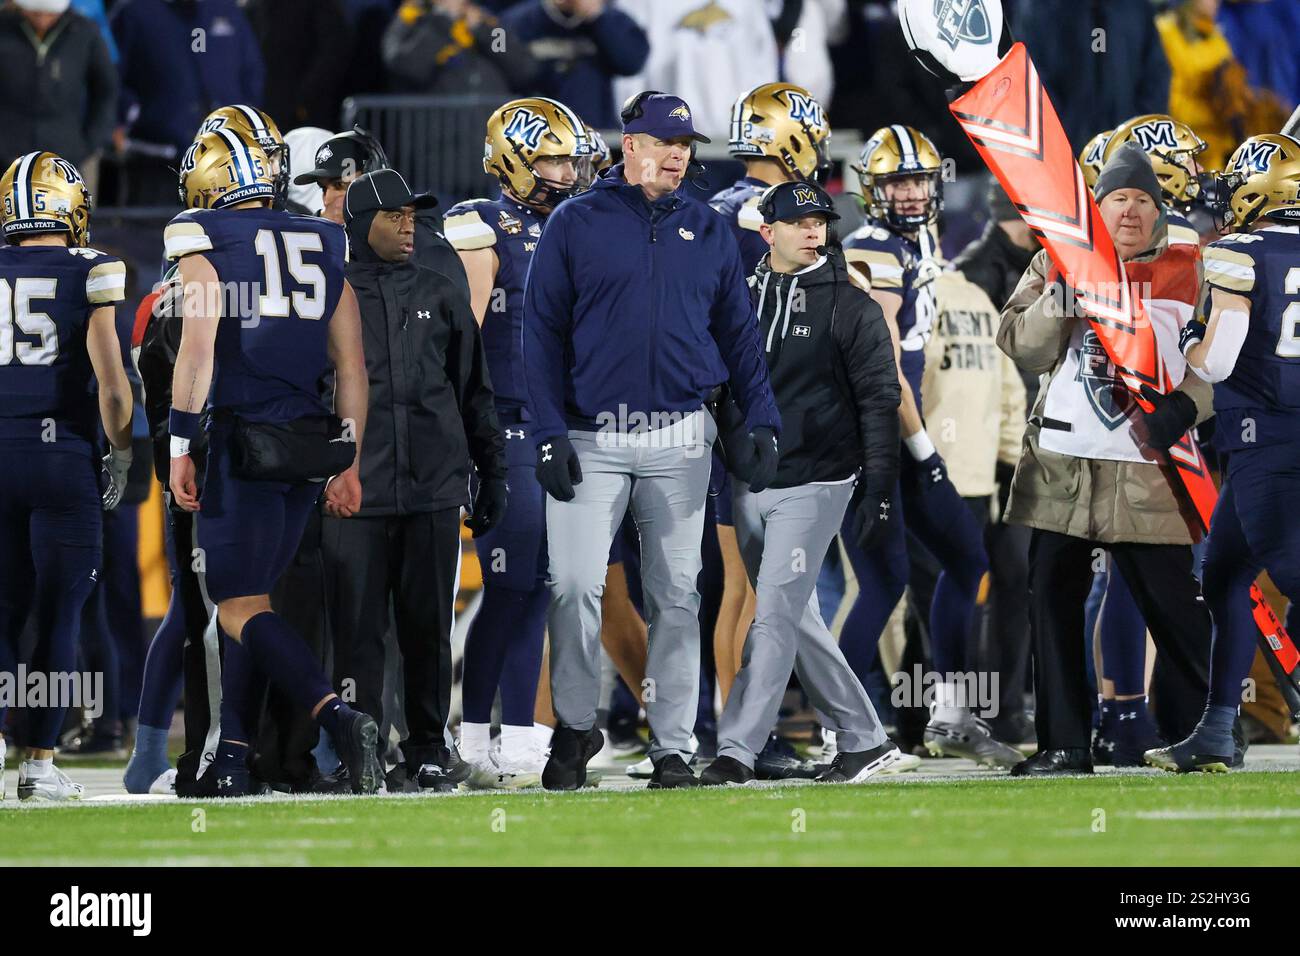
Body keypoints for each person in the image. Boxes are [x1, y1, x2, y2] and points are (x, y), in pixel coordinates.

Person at [523, 91, 780, 790]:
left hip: (681, 436)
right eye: (664, 142)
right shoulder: (574, 223)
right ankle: (577, 726)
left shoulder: (708, 227)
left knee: (677, 593)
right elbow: (538, 336)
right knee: (573, 585)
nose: (677, 156)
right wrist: (546, 432)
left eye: (686, 145)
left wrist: (760, 418)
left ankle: (671, 745)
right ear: (629, 145)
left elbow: (740, 336)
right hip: (589, 434)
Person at [163, 128, 383, 795]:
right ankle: (232, 756)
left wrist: (178, 443)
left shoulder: (202, 235)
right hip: (308, 448)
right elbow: (352, 366)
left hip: (241, 441)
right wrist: (347, 457)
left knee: (235, 605)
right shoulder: (323, 237)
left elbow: (196, 352)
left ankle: (336, 715)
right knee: (253, 606)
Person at [998, 143, 1215, 776]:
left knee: (1175, 608)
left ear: (1159, 210)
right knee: (1052, 604)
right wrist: (1061, 292)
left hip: (1152, 467)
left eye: (1143, 200)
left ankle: (1201, 732)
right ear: (1097, 206)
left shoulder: (1192, 267)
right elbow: (1021, 345)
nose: (1130, 211)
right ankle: (1063, 744)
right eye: (1118, 198)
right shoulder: (1057, 258)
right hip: (1064, 462)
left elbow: (1220, 363)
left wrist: (1186, 408)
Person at [699, 180, 904, 786]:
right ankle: (865, 740)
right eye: (798, 221)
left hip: (819, 476)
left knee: (775, 614)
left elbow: (879, 399)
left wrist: (880, 487)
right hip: (750, 477)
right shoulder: (736, 296)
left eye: (820, 220)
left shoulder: (851, 302)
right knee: (796, 616)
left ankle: (736, 749)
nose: (813, 229)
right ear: (767, 232)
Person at [322, 168, 507, 792]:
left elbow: (473, 390)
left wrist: (492, 471)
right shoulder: (329, 292)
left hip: (432, 484)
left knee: (428, 628)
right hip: (356, 490)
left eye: (412, 214)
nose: (409, 224)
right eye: (394, 215)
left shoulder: (441, 287)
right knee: (357, 629)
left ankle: (428, 747)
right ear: (359, 222)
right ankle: (361, 746)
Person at [838, 125, 1011, 767]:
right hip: (880, 439)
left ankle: (947, 717)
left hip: (895, 434)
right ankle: (848, 729)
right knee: (887, 584)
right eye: (897, 182)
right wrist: (919, 448)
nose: (911, 193)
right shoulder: (875, 251)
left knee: (955, 566)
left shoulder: (921, 243)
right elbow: (884, 365)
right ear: (871, 190)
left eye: (918, 181)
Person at [444, 97, 589, 787]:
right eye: (552, 158)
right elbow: (466, 338)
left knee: (540, 584)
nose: (565, 171)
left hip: (555, 422)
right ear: (513, 161)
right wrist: (469, 435)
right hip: (503, 422)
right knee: (509, 583)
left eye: (568, 157)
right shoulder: (481, 223)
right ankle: (475, 734)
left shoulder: (570, 224)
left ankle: (525, 734)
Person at [1150, 133, 1300, 771]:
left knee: (1292, 577)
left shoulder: (1241, 250)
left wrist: (1190, 336)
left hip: (1267, 436)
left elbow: (1219, 359)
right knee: (1224, 575)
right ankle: (1215, 729)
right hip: (1271, 437)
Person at [706, 80, 831, 777]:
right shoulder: (759, 213)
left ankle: (736, 732)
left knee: (742, 585)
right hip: (759, 410)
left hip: (728, 410)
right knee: (756, 587)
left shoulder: (720, 206)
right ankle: (743, 736)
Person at [0, 150, 133, 801]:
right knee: (60, 613)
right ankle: (38, 765)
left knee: (3, 609)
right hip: (62, 459)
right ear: (71, 207)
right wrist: (123, 450)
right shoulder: (93, 268)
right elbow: (111, 384)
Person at [293, 127, 469, 301]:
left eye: (341, 186)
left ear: (376, 178)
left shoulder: (425, 247)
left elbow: (458, 323)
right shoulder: (324, 242)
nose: (327, 199)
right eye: (323, 188)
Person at [110, 0, 264, 159]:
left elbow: (252, 71)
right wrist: (129, 113)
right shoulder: (134, 12)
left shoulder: (226, 10)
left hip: (224, 155)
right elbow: (109, 78)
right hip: (157, 153)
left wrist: (243, 116)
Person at [611, 1, 779, 138]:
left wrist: (758, 129)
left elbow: (763, 62)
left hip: (737, 143)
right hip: (667, 141)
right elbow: (628, 68)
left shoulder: (749, 5)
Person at [0, 0, 117, 180]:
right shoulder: (4, 28)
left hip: (63, 161)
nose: (42, 20)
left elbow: (106, 90)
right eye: (35, 13)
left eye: (49, 13)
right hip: (6, 159)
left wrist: (87, 145)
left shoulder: (84, 32)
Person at [500, 0, 650, 129]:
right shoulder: (516, 20)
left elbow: (633, 63)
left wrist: (598, 16)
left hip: (596, 137)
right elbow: (496, 69)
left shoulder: (610, 17)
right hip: (536, 136)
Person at [383, 0, 538, 96]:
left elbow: (523, 68)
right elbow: (404, 64)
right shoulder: (411, 19)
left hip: (489, 136)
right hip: (434, 135)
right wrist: (445, 19)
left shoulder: (489, 23)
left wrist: (483, 29)